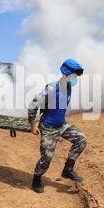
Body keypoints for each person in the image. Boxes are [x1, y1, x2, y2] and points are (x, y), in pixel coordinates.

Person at [28, 59, 87, 194]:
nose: (76, 79)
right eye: (74, 76)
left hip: (62, 124)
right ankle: (36, 178)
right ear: (66, 74)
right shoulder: (52, 88)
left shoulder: (69, 87)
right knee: (46, 159)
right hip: (48, 127)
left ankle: (68, 170)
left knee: (81, 139)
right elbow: (33, 106)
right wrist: (33, 124)